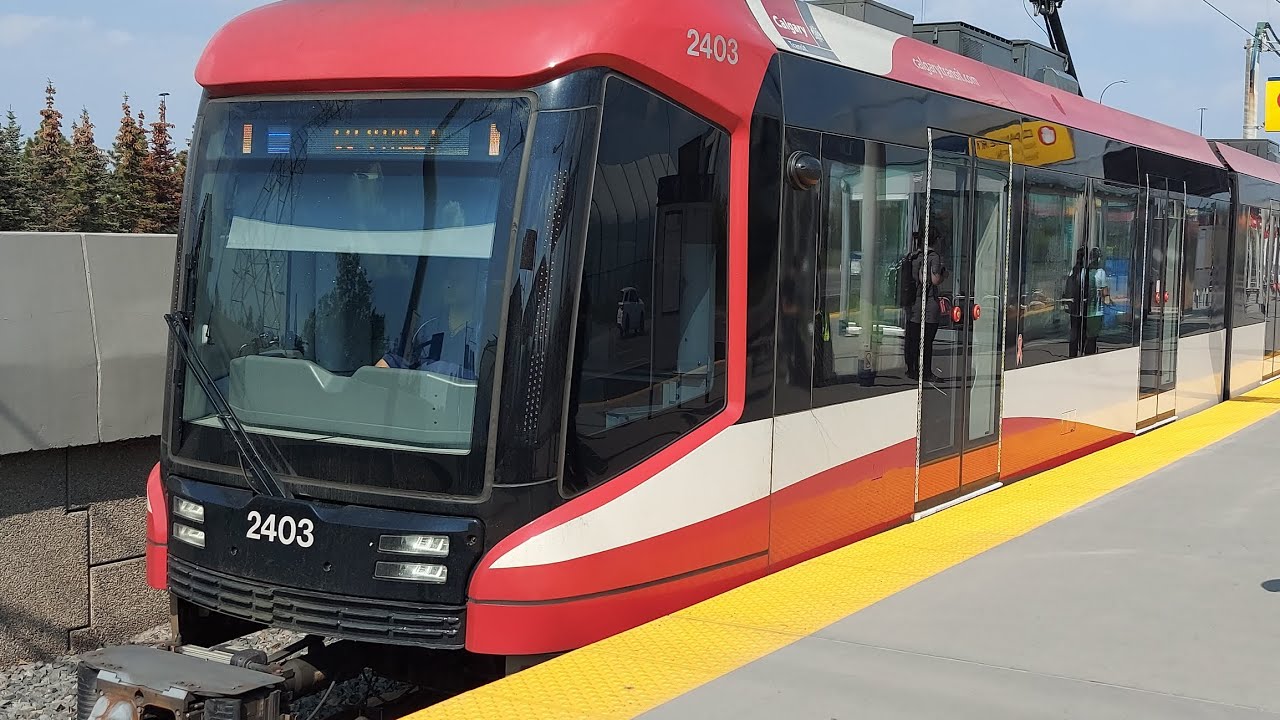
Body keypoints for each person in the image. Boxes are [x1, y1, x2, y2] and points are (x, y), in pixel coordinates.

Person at [904, 230, 945, 382]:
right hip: (928, 303)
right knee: (927, 341)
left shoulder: (912, 256)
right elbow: (934, 279)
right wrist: (943, 274)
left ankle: (911, 368)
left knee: (913, 337)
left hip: (912, 303)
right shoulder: (933, 257)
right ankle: (926, 371)